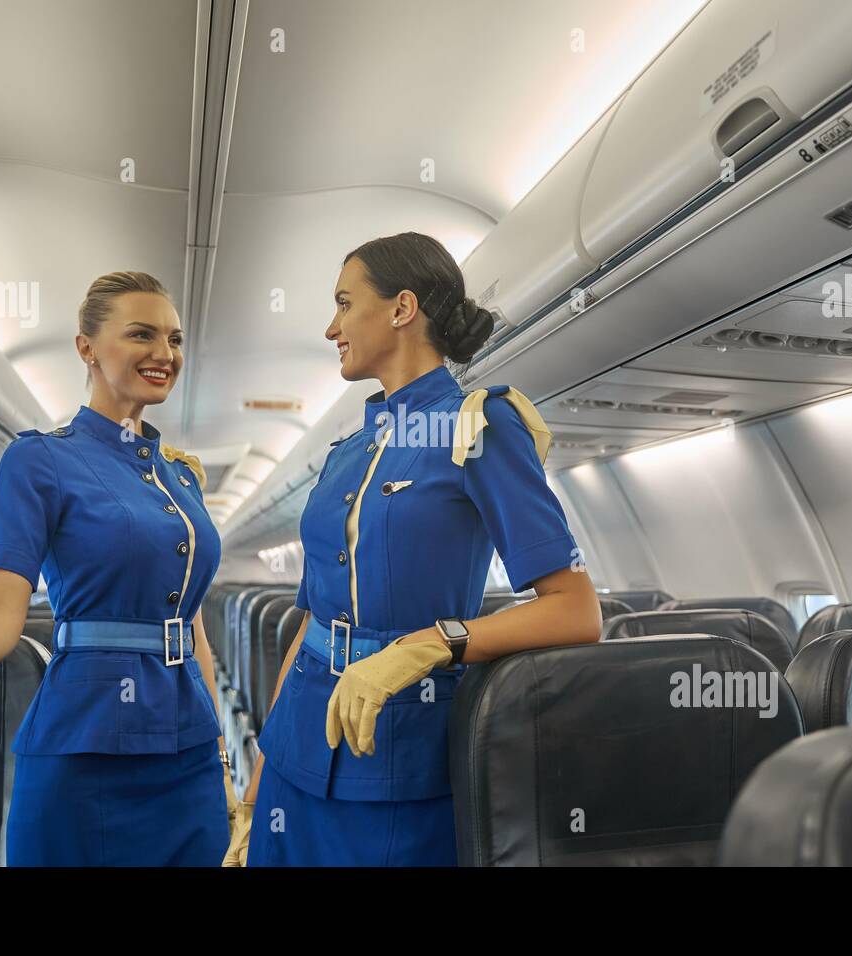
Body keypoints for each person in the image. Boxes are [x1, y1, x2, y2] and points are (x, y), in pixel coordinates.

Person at [224, 233, 602, 867]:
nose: (330, 327)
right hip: (296, 751)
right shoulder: (347, 454)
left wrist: (429, 642)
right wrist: (257, 787)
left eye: (345, 304)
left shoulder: (480, 426)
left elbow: (575, 610)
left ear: (402, 309)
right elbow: (312, 625)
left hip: (398, 757)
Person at [0, 271, 235, 866]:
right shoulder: (40, 459)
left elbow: (191, 629)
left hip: (188, 749)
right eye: (141, 334)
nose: (164, 354)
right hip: (86, 742)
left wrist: (219, 755)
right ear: (86, 347)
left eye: (174, 339)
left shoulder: (182, 477)